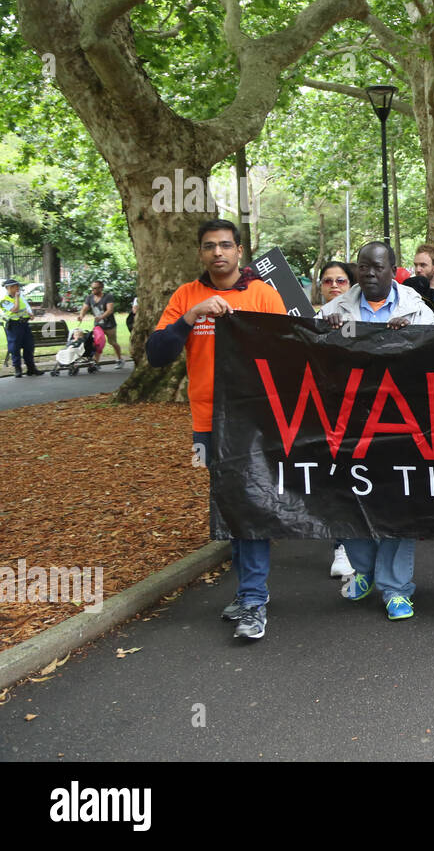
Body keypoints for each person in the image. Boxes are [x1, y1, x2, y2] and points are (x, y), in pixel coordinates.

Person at [146, 219, 286, 639]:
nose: (218, 253)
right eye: (209, 247)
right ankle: (248, 594)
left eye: (226, 245)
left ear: (240, 251)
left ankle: (253, 599)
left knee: (251, 506)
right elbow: (157, 354)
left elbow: (288, 353)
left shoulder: (263, 295)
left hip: (255, 421)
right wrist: (191, 316)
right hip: (207, 425)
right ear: (201, 253)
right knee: (230, 506)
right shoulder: (186, 296)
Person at [320, 241, 434, 622]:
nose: (368, 274)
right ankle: (365, 572)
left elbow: (432, 370)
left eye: (377, 268)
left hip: (401, 426)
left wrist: (409, 339)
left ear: (394, 269)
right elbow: (313, 364)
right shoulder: (334, 309)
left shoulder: (418, 312)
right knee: (351, 501)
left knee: (398, 505)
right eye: (363, 268)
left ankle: (396, 587)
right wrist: (326, 334)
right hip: (350, 425)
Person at [312, 260, 360, 579]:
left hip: (369, 411)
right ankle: (341, 548)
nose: (333, 286)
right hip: (331, 410)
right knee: (338, 480)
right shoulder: (314, 320)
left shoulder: (362, 315)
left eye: (340, 281)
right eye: (327, 281)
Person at [79, 280, 124, 368]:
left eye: (95, 288)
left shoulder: (108, 297)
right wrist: (81, 316)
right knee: (97, 343)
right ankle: (96, 362)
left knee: (112, 342)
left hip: (109, 325)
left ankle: (120, 359)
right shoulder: (90, 297)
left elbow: (110, 310)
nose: (93, 290)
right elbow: (84, 308)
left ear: (101, 288)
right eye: (92, 288)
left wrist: (101, 317)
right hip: (98, 325)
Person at [2, 279, 42, 377]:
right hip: (14, 326)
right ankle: (17, 369)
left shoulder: (20, 297)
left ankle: (31, 368)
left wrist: (30, 314)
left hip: (24, 325)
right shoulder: (4, 301)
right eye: (16, 286)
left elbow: (25, 308)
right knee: (15, 347)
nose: (18, 288)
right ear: (9, 288)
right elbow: (15, 310)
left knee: (29, 346)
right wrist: (16, 297)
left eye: (17, 286)